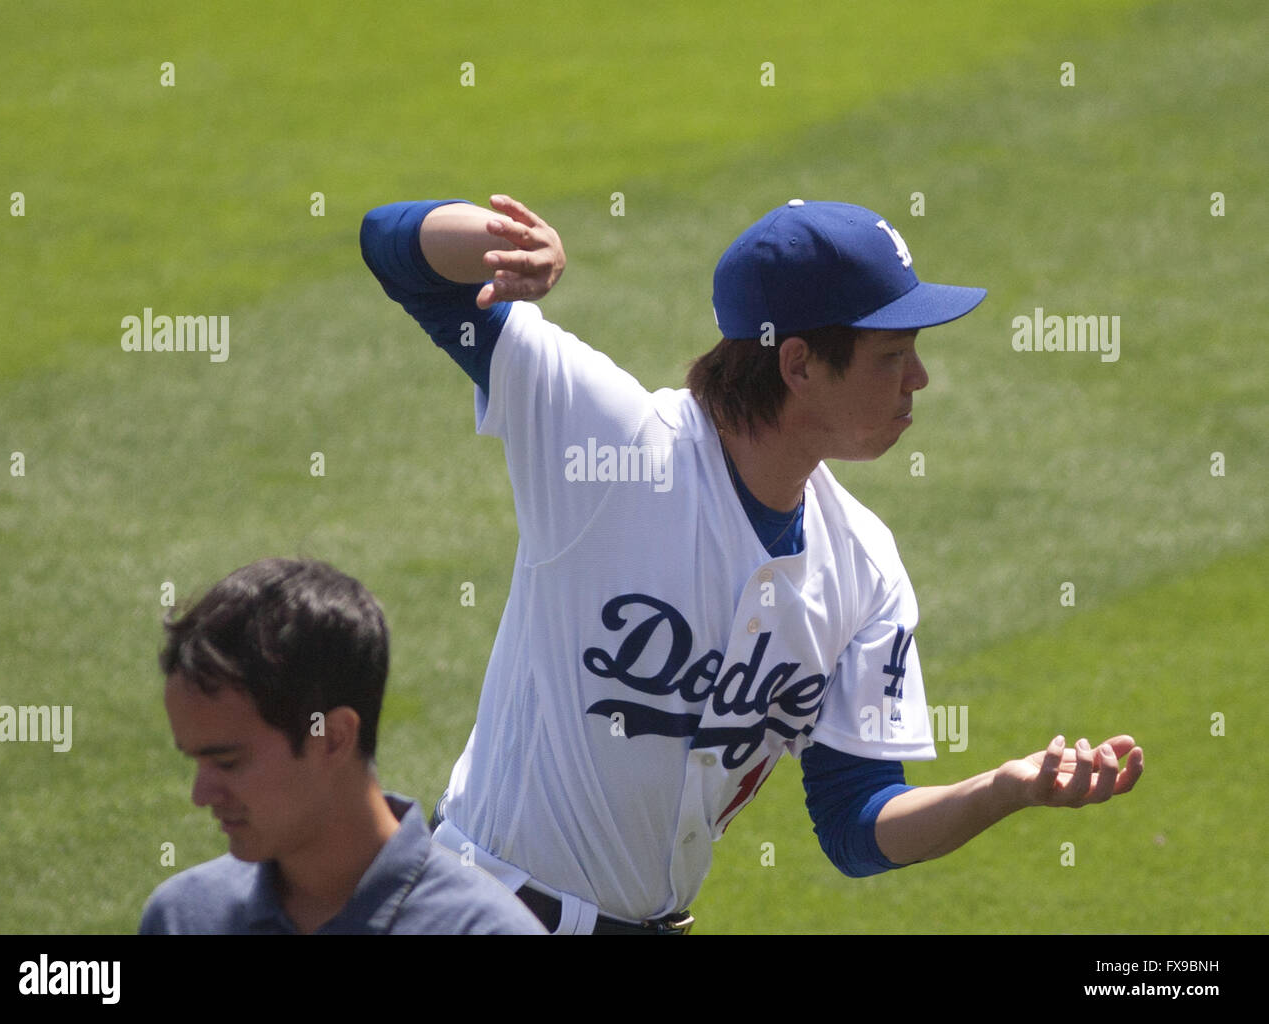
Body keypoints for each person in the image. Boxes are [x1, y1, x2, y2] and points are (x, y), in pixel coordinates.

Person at [358, 194, 1144, 934]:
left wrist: (1005, 788)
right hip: (486, 912)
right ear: (799, 364)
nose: (919, 379)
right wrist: (501, 244)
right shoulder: (612, 444)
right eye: (891, 355)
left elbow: (856, 822)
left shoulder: (865, 567)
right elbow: (393, 248)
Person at [138, 557, 545, 934]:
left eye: (227, 762)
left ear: (332, 738)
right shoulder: (181, 918)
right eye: (195, 762)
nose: (199, 795)